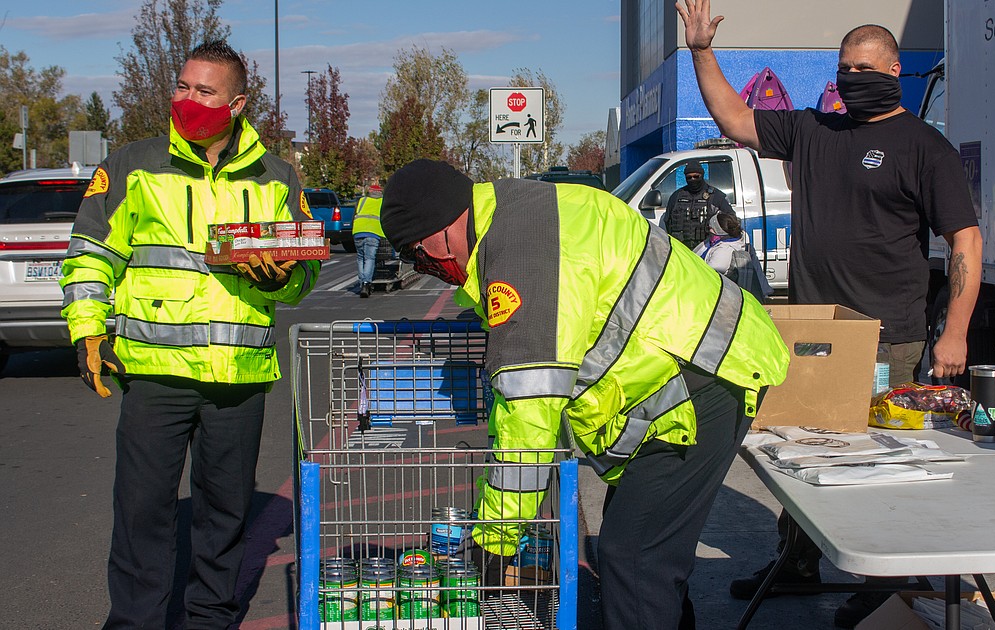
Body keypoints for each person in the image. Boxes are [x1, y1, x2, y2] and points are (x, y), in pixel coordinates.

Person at [379, 158, 790, 629]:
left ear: (442, 225)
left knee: (633, 555)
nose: (420, 266)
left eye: (415, 252)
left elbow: (527, 417)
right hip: (697, 363)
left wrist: (493, 540)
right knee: (643, 544)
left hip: (706, 376)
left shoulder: (520, 257)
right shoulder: (515, 213)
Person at [677, 1, 983, 627]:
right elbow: (735, 118)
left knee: (883, 455)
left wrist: (954, 331)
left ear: (895, 70)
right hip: (815, 328)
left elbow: (966, 242)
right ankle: (797, 560)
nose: (852, 78)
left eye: (864, 67)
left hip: (887, 335)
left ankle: (889, 581)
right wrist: (702, 50)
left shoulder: (926, 147)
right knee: (802, 448)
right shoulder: (815, 130)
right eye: (843, 68)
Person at [59, 40, 319, 630]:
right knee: (142, 513)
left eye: (205, 91)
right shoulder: (132, 165)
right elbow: (90, 256)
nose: (188, 99)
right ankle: (135, 622)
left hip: (238, 377)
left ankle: (210, 618)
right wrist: (87, 331)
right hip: (156, 375)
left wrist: (282, 274)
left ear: (237, 103)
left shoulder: (278, 177)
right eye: (182, 86)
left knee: (224, 516)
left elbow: (302, 274)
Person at [694, 212, 769, 302]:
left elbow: (710, 275)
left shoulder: (725, 250)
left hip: (713, 296)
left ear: (718, 230)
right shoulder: (715, 242)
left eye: (711, 228)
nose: (709, 231)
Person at [663, 159, 734, 249]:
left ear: (702, 175)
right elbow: (667, 221)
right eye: (689, 177)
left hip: (706, 247)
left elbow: (731, 219)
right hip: (681, 248)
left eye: (696, 176)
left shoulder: (716, 196)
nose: (693, 179)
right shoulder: (677, 196)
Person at [352, 182, 385, 297]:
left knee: (361, 258)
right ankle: (366, 283)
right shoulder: (382, 202)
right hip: (373, 232)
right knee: (370, 258)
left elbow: (355, 214)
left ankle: (362, 283)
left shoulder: (362, 200)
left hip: (358, 230)